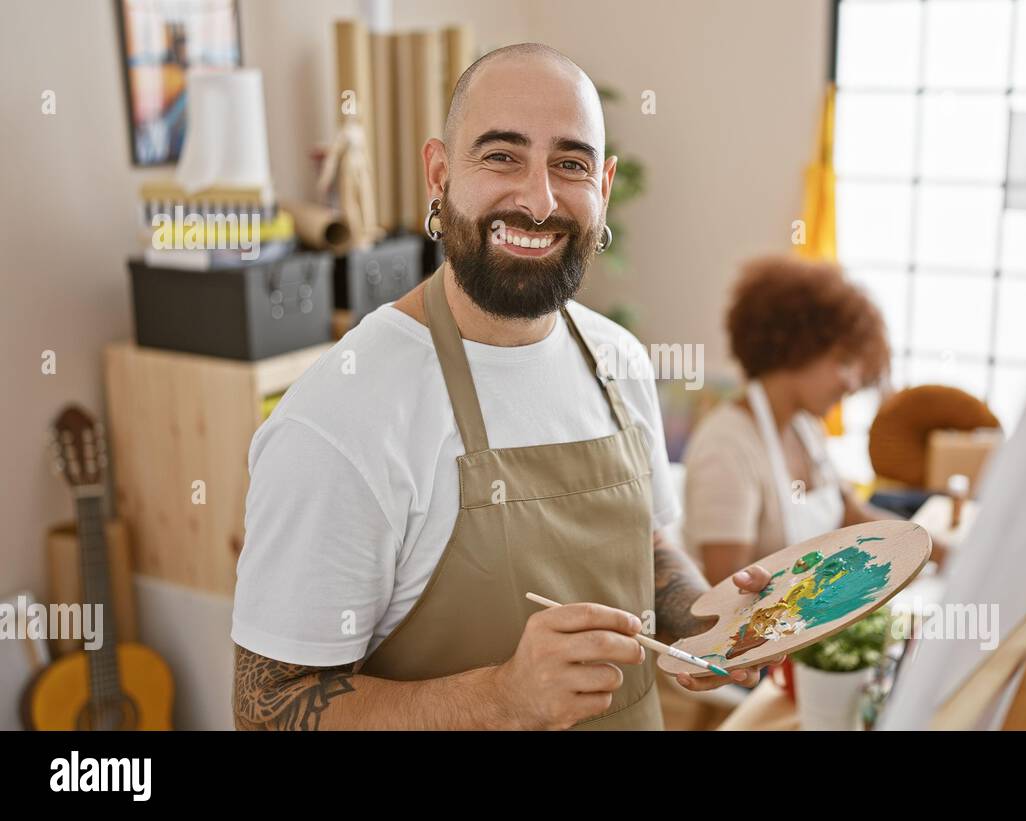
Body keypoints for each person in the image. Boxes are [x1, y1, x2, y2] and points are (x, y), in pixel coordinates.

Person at [230, 43, 776, 731]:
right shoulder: (340, 417)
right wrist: (499, 698)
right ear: (439, 172)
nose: (538, 199)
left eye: (570, 164)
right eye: (501, 155)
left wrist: (709, 620)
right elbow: (265, 707)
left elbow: (645, 547)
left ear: (602, 188)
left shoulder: (619, 360)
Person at [683, 255, 900, 585]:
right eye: (842, 360)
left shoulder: (806, 428)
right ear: (796, 346)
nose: (851, 383)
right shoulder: (726, 447)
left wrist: (937, 549)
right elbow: (727, 591)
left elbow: (852, 515)